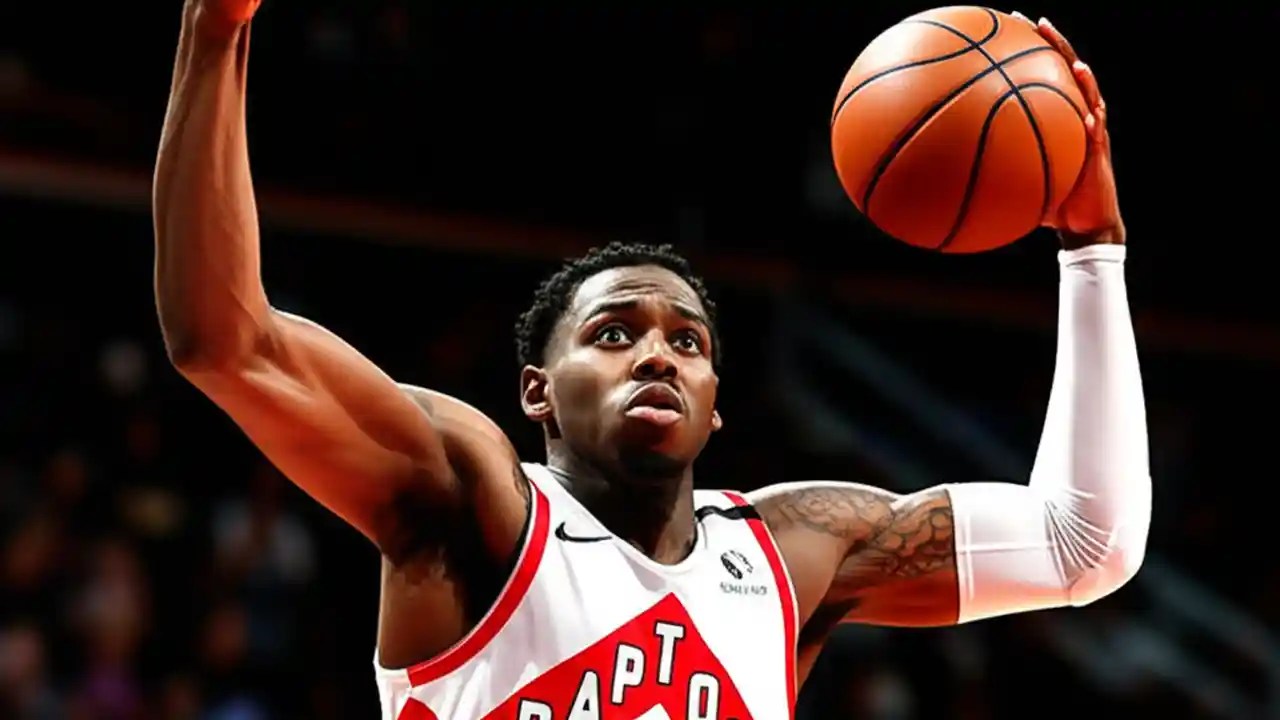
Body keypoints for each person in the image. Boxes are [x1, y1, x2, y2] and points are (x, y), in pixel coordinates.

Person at [153, 2, 1151, 718]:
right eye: (612, 333)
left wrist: (1091, 250)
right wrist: (216, 33)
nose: (656, 356)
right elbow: (226, 340)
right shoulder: (474, 503)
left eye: (686, 342)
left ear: (716, 407)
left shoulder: (795, 551)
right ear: (536, 393)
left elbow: (1084, 546)